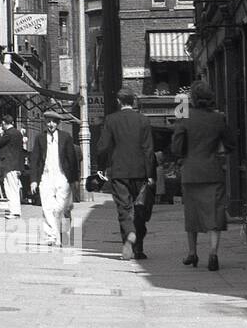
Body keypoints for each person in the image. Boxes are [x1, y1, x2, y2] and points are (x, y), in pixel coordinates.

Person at [171, 80, 237, 271]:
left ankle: (192, 254)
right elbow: (231, 143)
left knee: (192, 215)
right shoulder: (219, 118)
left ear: (193, 97)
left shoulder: (185, 118)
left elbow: (176, 148)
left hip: (191, 173)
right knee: (215, 214)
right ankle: (213, 254)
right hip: (213, 172)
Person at [95, 89, 156, 260]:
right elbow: (148, 150)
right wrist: (150, 174)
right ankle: (139, 248)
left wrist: (101, 167)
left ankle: (129, 235)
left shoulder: (111, 120)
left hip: (119, 171)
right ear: (133, 101)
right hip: (141, 172)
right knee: (140, 208)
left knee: (124, 208)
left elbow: (103, 147)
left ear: (119, 101)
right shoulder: (143, 120)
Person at [29, 111, 80, 246]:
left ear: (58, 123)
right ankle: (51, 236)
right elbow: (34, 159)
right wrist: (34, 180)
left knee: (61, 208)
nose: (50, 124)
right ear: (45, 123)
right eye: (48, 121)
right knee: (47, 208)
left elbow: (72, 159)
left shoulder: (66, 137)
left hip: (62, 176)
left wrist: (74, 179)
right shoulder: (40, 138)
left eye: (53, 122)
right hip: (45, 177)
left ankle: (64, 234)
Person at [0, 112, 25, 220]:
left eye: (2, 124)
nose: (1, 126)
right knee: (14, 188)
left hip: (8, 165)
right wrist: (20, 167)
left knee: (9, 188)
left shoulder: (8, 134)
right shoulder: (18, 133)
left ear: (4, 123)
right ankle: (16, 210)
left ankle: (14, 211)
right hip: (15, 165)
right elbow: (21, 152)